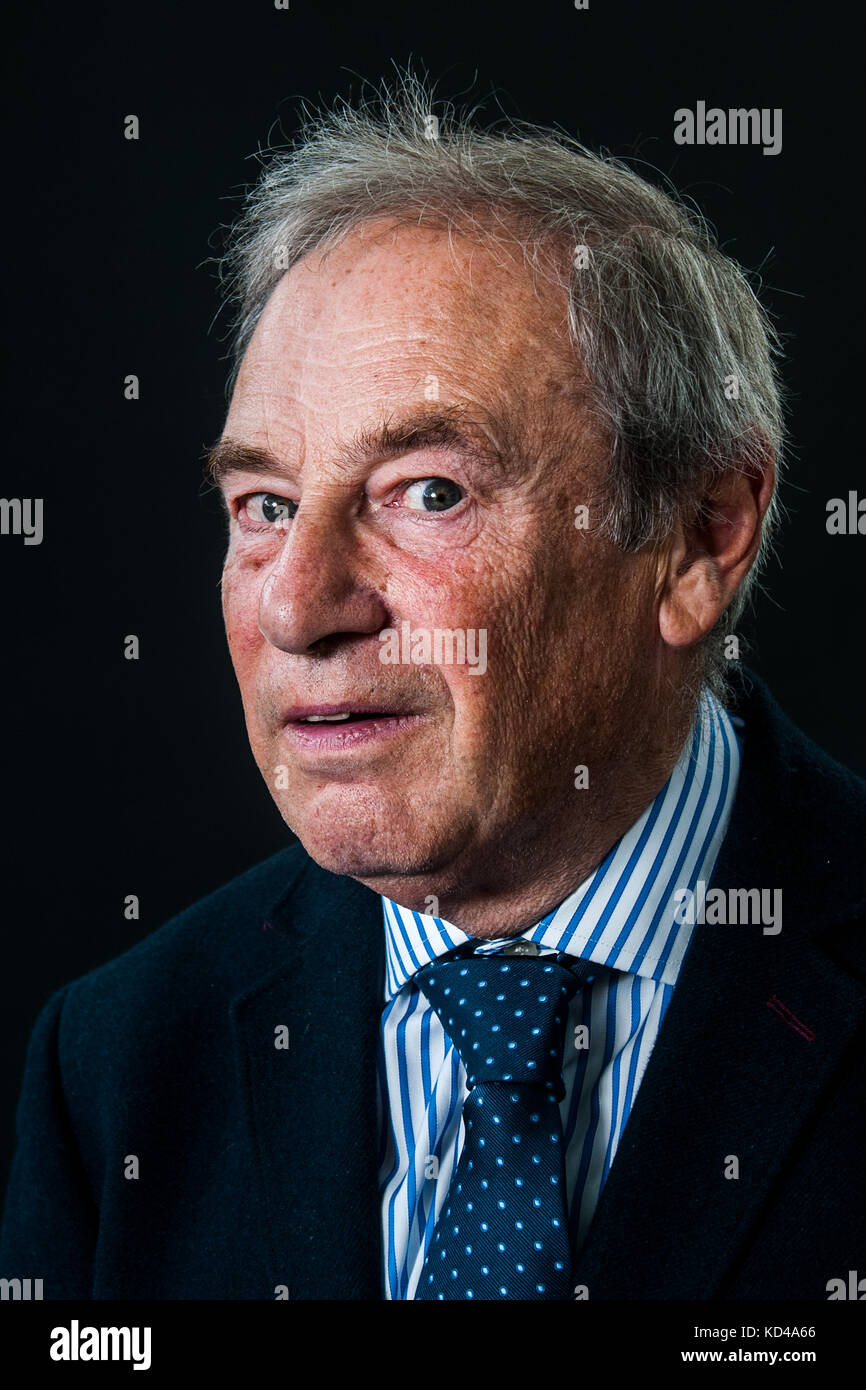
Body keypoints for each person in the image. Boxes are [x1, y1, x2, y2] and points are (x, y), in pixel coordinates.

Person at [2, 72, 864, 1302]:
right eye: (265, 507)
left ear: (696, 535)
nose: (298, 606)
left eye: (429, 492)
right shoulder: (115, 1063)